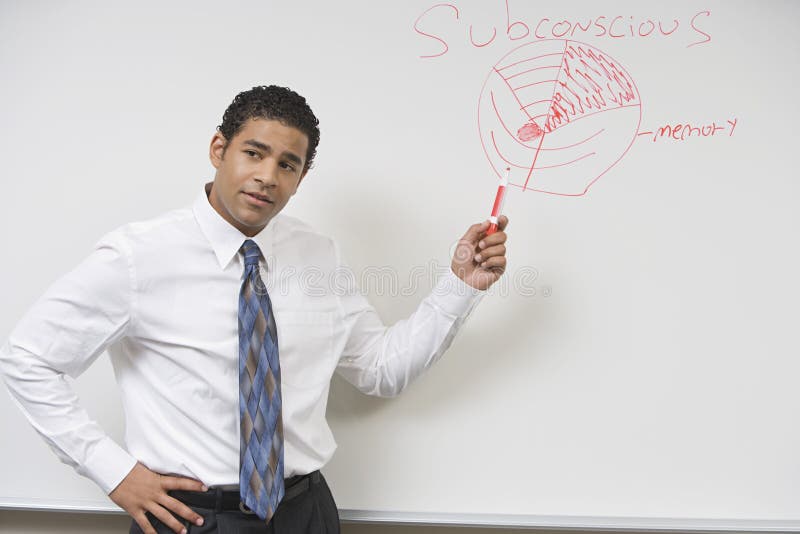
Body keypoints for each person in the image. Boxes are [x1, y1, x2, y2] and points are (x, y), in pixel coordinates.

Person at [0, 85, 509, 534]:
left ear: (301, 176)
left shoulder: (318, 255)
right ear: (219, 149)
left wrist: (460, 286)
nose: (268, 176)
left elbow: (379, 369)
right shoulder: (138, 256)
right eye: (254, 153)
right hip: (192, 518)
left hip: (306, 513)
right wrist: (114, 472)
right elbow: (28, 358)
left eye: (287, 164)